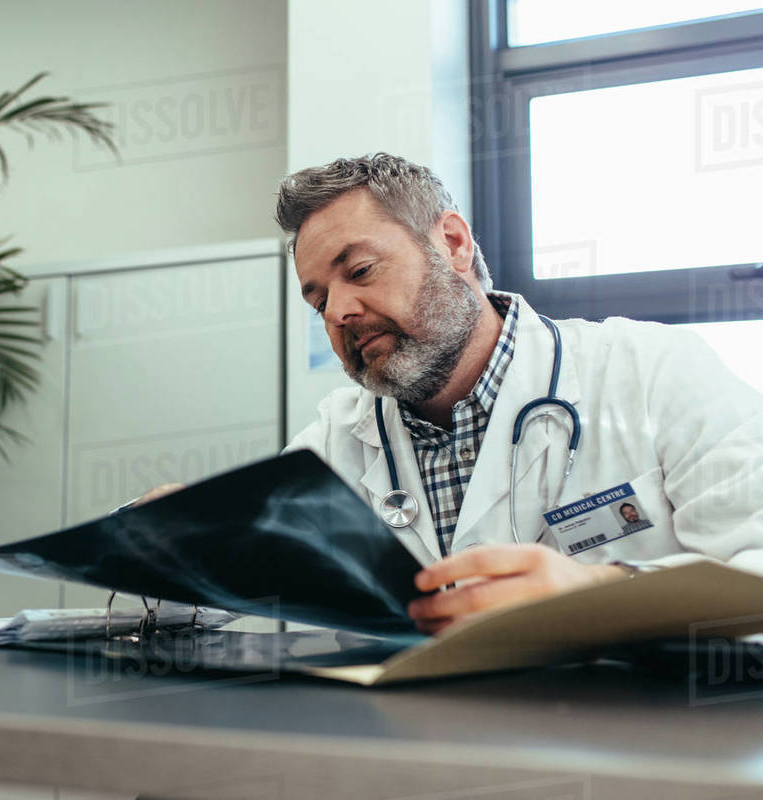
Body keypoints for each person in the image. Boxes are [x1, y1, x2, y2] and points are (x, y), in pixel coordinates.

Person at [277, 153, 763, 635]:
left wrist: (602, 595)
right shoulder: (330, 445)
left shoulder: (655, 370)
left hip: (642, 710)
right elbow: (233, 581)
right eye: (318, 301)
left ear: (452, 243)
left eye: (360, 271)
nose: (337, 312)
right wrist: (200, 538)